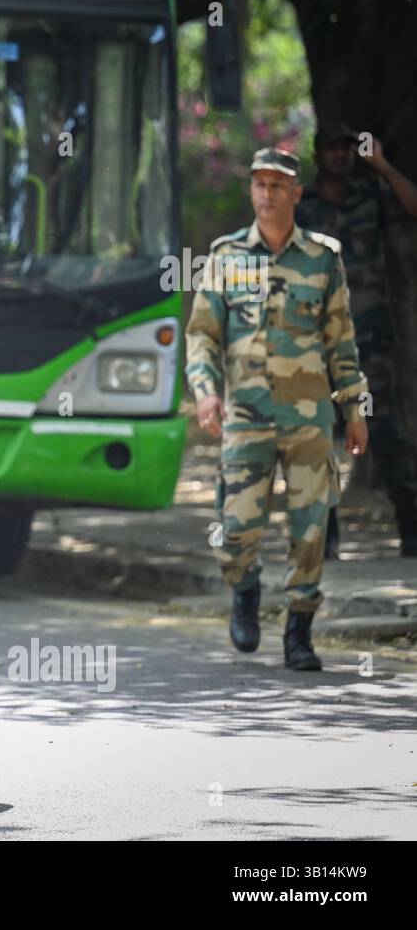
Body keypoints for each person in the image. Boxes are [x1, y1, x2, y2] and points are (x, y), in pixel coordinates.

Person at [185, 148, 369, 671]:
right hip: (245, 415)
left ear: (297, 193)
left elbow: (342, 341)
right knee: (235, 528)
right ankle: (244, 589)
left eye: (279, 184)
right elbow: (201, 337)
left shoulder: (322, 257)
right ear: (251, 190)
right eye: (260, 183)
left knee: (310, 527)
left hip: (310, 419)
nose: (268, 193)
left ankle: (299, 630)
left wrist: (354, 408)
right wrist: (205, 392)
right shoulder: (226, 256)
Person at [295, 122, 417, 557]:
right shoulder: (301, 207)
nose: (340, 156)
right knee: (319, 436)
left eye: (347, 148)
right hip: (316, 344)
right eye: (332, 148)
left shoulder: (371, 197)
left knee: (383, 430)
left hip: (369, 341)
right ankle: (326, 537)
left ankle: (411, 529)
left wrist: (381, 165)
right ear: (318, 153)